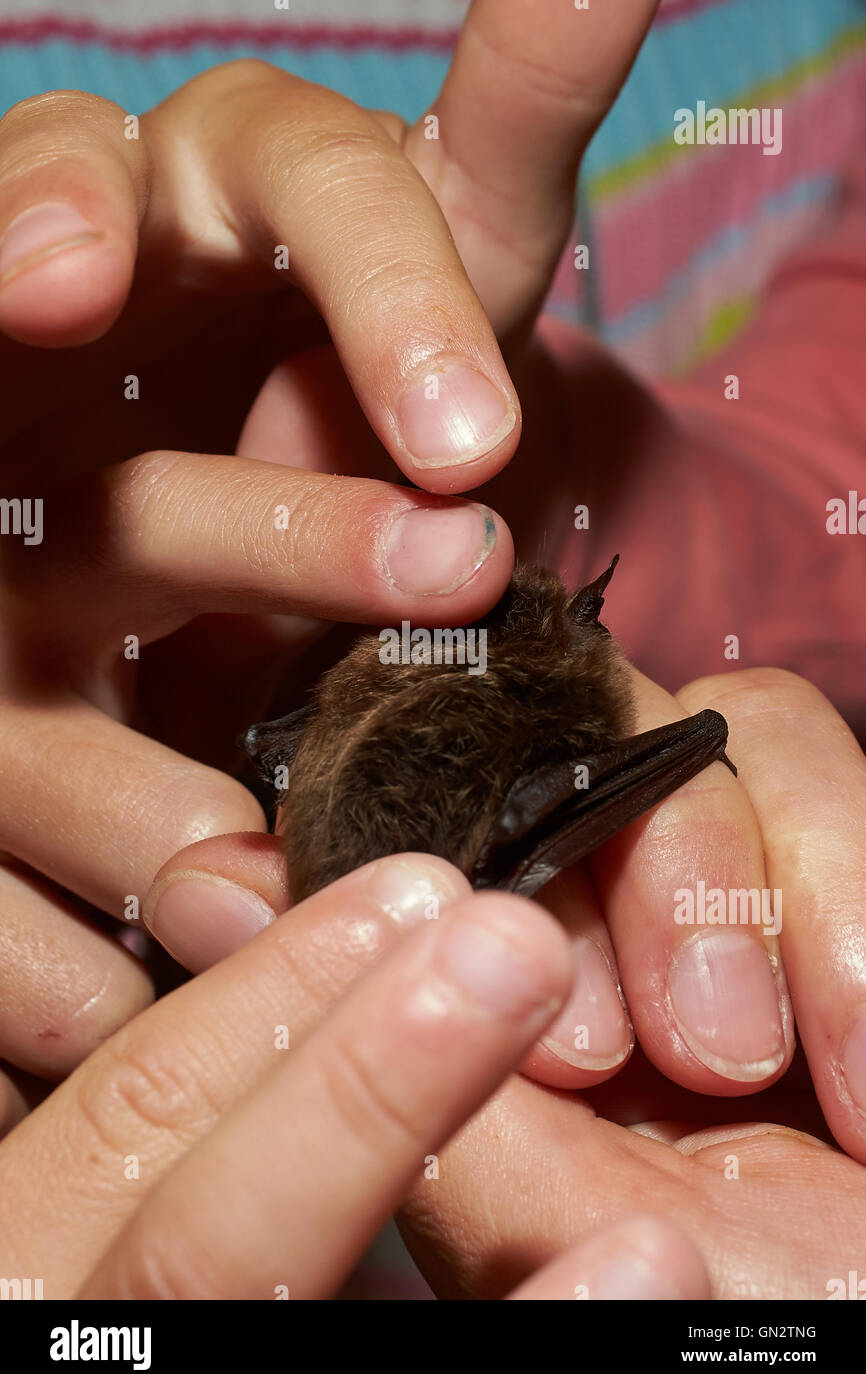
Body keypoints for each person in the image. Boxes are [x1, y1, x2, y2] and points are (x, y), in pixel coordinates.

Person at [0, 0, 864, 1298]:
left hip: (367, 812)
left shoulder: (425, 685)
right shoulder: (559, 725)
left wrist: (613, 476)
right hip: (412, 822)